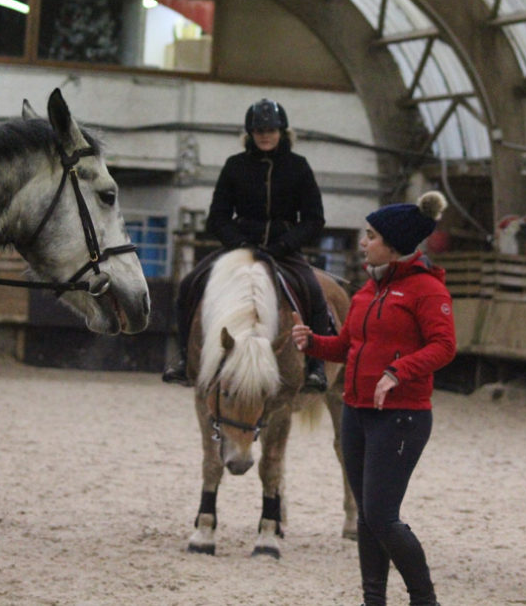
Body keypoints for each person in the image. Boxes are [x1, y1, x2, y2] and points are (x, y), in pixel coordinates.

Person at [292, 191, 455, 606]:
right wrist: (311, 342)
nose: (363, 243)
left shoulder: (426, 290)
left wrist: (398, 372)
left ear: (394, 242)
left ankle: (425, 599)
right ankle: (373, 600)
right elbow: (345, 347)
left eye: (370, 235)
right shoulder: (367, 292)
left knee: (382, 516)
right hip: (357, 413)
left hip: (402, 417)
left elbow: (444, 346)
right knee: (367, 516)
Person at [162, 98, 331, 392]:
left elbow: (314, 220)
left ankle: (316, 367)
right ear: (250, 133)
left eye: (270, 129)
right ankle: (183, 360)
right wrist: (237, 243)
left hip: (284, 250)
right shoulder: (234, 167)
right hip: (239, 248)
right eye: (258, 130)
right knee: (189, 285)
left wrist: (283, 245)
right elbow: (217, 217)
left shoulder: (298, 167)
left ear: (282, 131)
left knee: (315, 293)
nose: (265, 134)